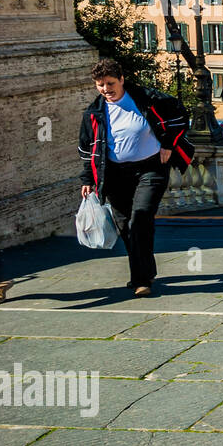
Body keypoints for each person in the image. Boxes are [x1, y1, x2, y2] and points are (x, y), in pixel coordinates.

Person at [78, 58, 194, 296]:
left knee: (140, 218)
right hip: (115, 174)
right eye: (100, 84)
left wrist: (169, 144)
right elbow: (88, 149)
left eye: (110, 83)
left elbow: (181, 115)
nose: (106, 89)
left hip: (151, 168)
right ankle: (144, 271)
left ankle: (142, 280)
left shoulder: (147, 98)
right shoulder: (94, 113)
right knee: (126, 226)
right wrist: (87, 180)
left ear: (121, 79)